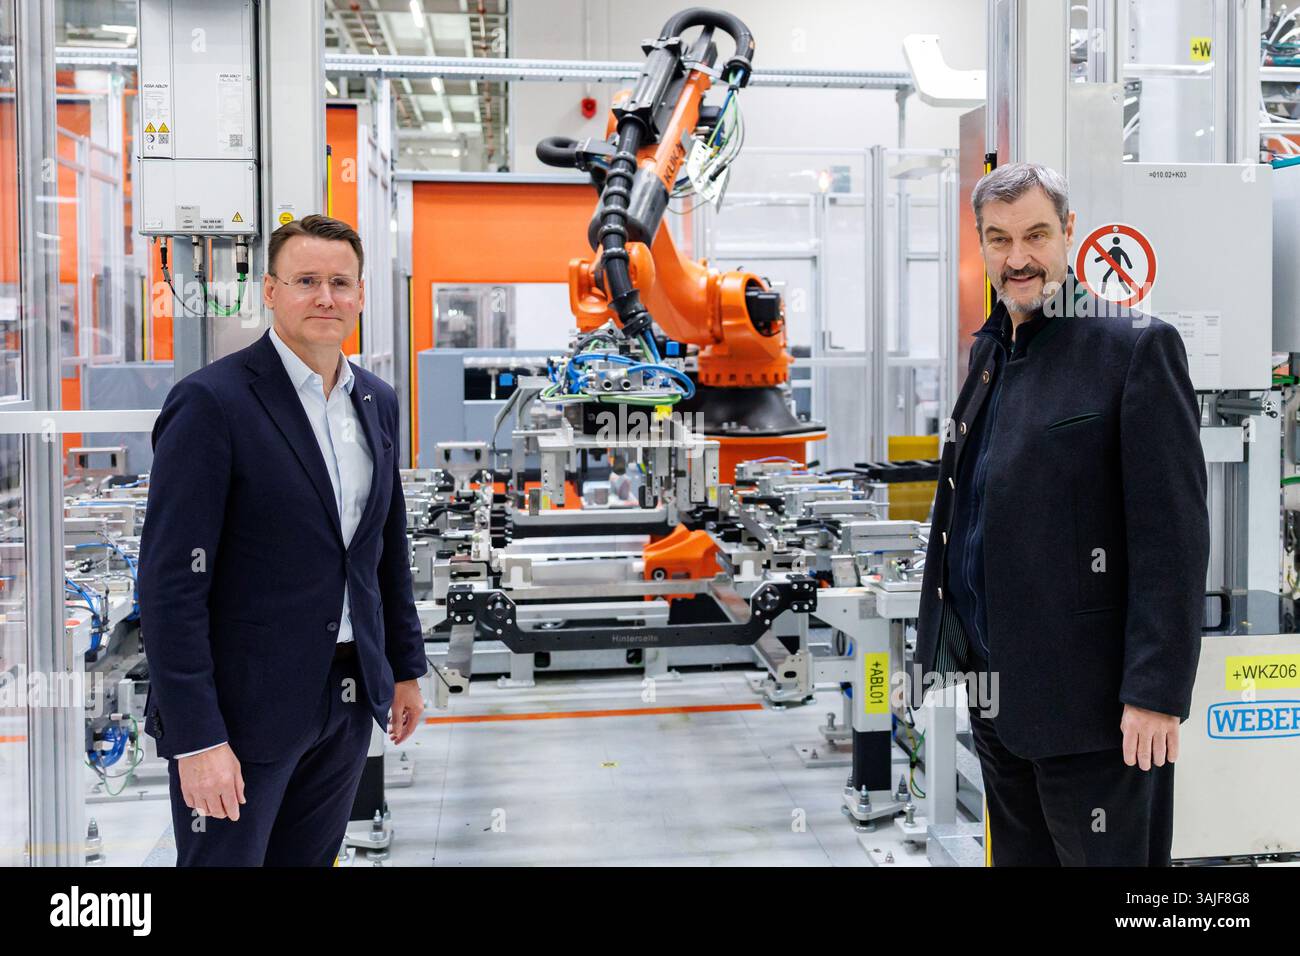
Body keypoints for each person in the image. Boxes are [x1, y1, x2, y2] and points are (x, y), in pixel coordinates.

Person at [913, 163, 1209, 866]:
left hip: (1096, 716)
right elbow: (967, 503)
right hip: (1000, 700)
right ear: (981, 245)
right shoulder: (991, 349)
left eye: (1036, 235)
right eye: (999, 239)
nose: (1018, 259)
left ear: (1070, 233)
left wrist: (1156, 692)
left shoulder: (1132, 347)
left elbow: (1174, 537)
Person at [138, 214, 428, 866]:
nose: (325, 298)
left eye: (340, 282)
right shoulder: (212, 403)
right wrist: (197, 737)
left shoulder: (375, 402)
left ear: (359, 294)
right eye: (305, 281)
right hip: (241, 710)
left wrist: (405, 667)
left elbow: (383, 551)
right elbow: (168, 586)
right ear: (270, 290)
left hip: (346, 701)